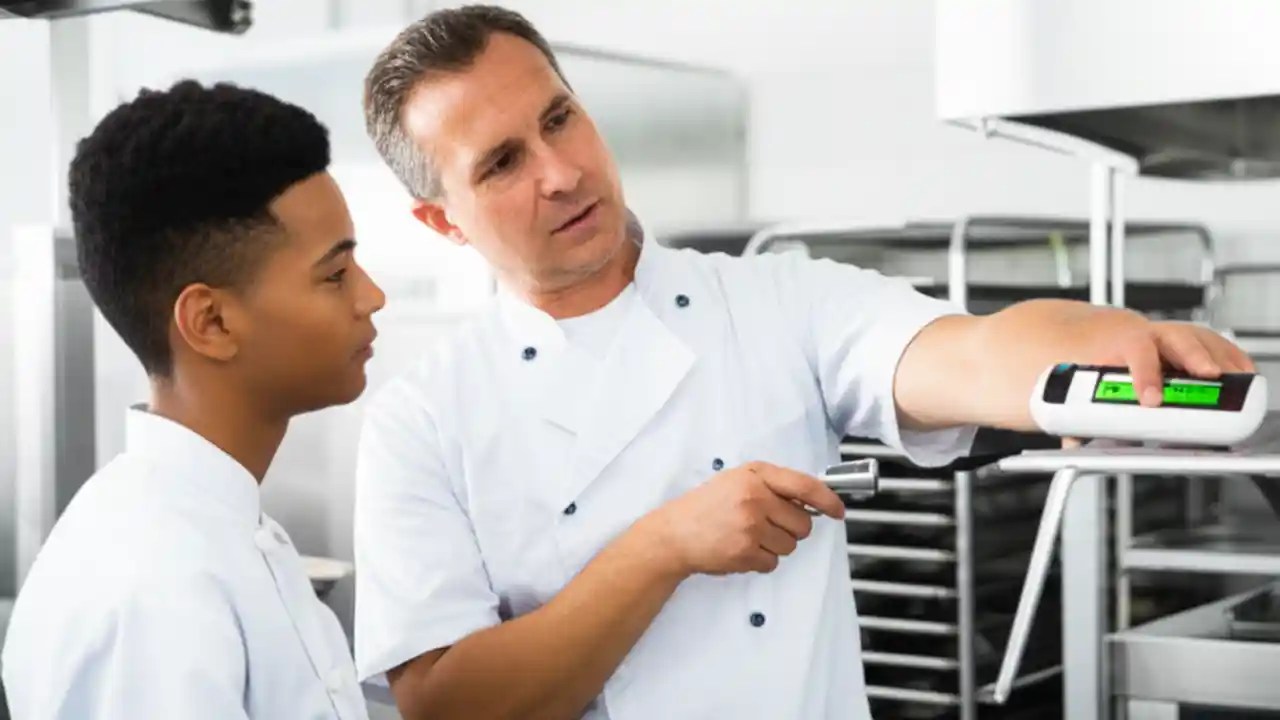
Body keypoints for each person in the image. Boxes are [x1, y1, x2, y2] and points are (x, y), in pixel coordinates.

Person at [352, 6, 1257, 719]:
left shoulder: (774, 302)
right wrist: (661, 549)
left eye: (561, 118)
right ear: (442, 221)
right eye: (504, 162)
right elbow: (450, 701)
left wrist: (1095, 338)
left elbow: (967, 352)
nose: (560, 172)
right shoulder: (423, 417)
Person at [1, 80, 385, 719]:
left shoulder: (228, 531)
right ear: (210, 322)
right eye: (335, 275)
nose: (371, 297)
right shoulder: (155, 585)